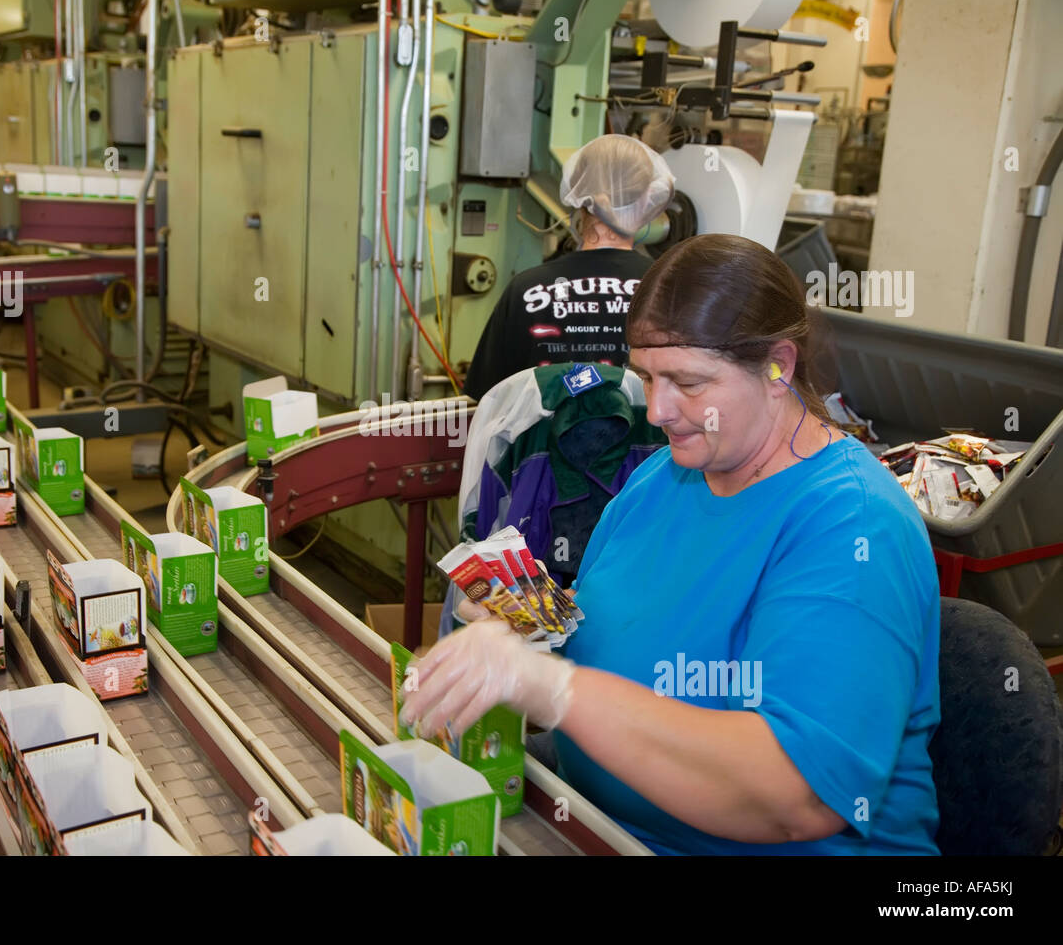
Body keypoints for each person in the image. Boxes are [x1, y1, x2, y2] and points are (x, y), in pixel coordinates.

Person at [401, 234, 942, 855]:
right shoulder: (668, 476)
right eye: (646, 377)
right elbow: (607, 615)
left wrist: (551, 688)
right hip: (599, 828)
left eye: (687, 382)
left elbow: (795, 797)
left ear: (778, 367)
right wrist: (523, 622)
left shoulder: (853, 524)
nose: (656, 410)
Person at [462, 134, 675, 399]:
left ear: (578, 197)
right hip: (651, 441)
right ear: (646, 200)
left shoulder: (525, 289)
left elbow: (486, 400)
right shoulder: (669, 290)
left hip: (543, 441)